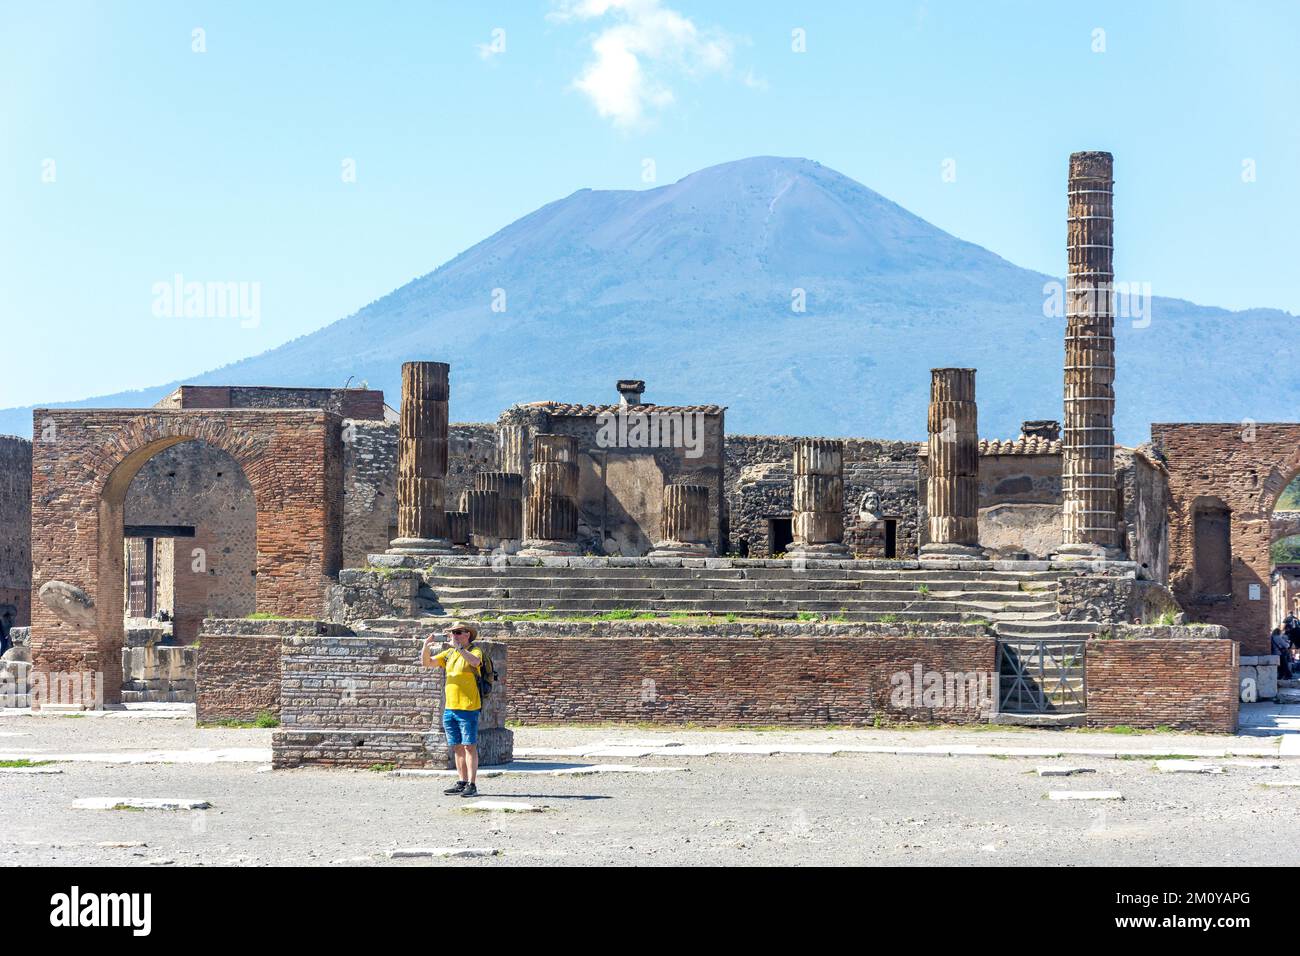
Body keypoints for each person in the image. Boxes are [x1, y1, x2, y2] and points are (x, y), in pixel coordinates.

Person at [421, 620, 484, 798]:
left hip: (468, 706)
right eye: (452, 633)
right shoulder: (448, 654)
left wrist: (459, 649)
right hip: (450, 707)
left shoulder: (473, 650)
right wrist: (426, 646)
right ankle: (461, 781)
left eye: (458, 632)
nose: (454, 635)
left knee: (469, 746)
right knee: (456, 746)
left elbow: (475, 662)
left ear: (467, 635)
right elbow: (427, 663)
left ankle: (472, 784)